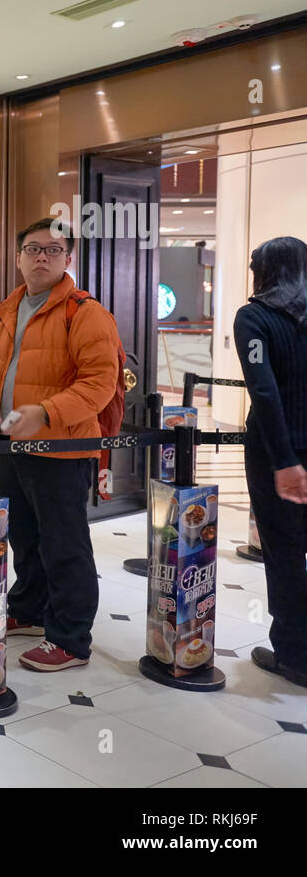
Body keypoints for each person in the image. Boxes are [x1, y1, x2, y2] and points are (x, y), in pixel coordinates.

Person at [0, 218, 120, 672]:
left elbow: (100, 382)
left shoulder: (85, 312)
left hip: (63, 449)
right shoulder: (6, 309)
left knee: (64, 543)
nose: (41, 257)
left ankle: (70, 639)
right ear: (17, 258)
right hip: (11, 448)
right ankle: (30, 609)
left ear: (68, 259)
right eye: (33, 249)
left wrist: (48, 412)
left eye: (53, 251)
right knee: (25, 538)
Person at [234, 235, 307, 687]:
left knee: (284, 552)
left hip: (276, 456)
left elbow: (264, 391)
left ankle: (295, 656)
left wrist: (284, 461)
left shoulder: (254, 317)